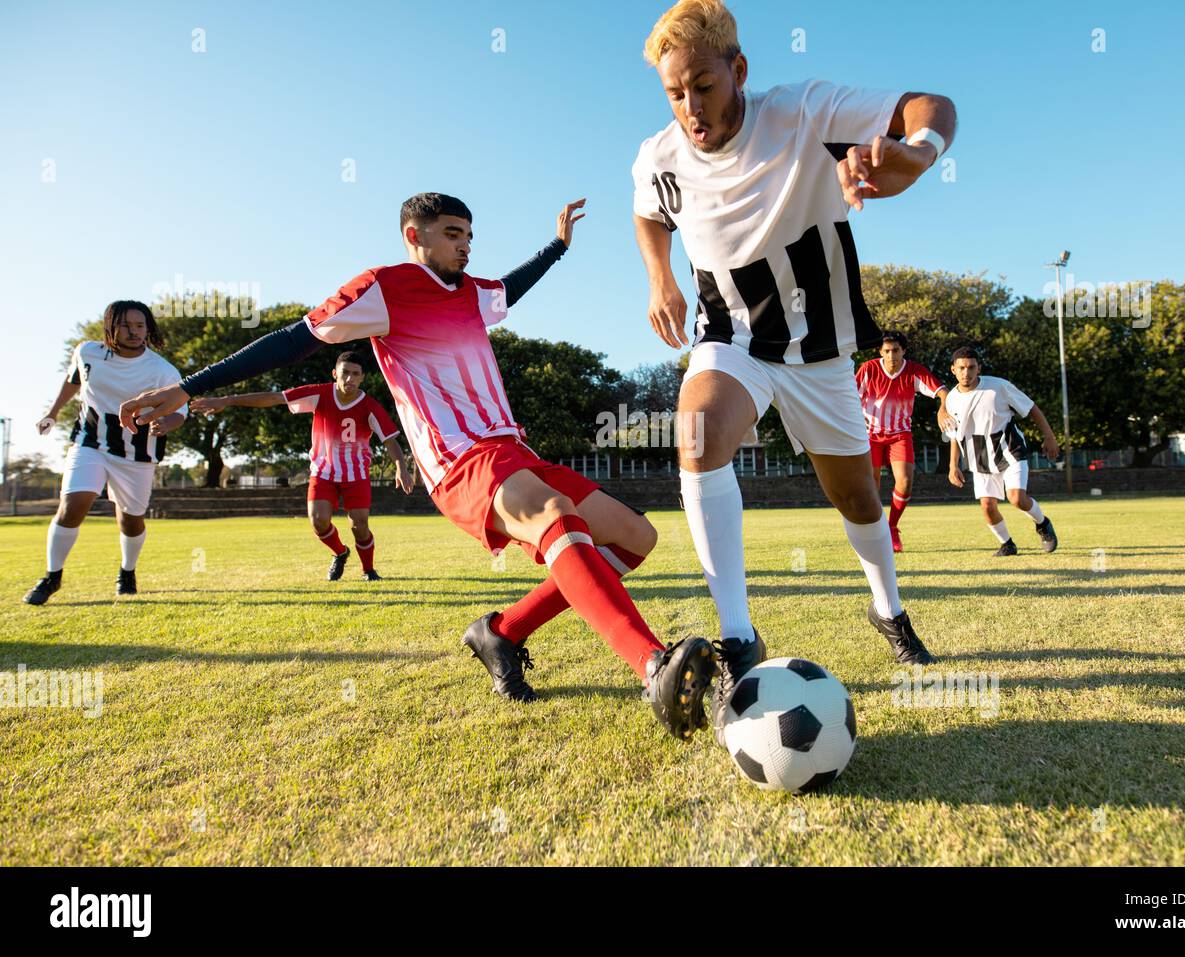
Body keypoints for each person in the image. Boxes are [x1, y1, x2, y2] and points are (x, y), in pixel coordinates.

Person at [118, 192, 719, 740]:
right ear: (415, 234)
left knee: (635, 537)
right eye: (453, 232)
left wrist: (556, 249)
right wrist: (190, 388)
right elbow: (293, 339)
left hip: (512, 447)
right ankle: (653, 666)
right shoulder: (385, 288)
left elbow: (509, 289)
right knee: (555, 516)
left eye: (469, 235)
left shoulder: (470, 293)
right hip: (458, 458)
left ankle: (502, 632)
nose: (465, 243)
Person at [632, 0, 954, 738]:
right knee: (697, 432)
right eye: (675, 93)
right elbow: (649, 211)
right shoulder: (659, 156)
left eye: (704, 86)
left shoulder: (807, 112)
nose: (691, 108)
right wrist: (660, 277)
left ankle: (888, 607)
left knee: (860, 501)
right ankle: (741, 640)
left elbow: (932, 106)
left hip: (819, 350)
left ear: (739, 70)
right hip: (731, 338)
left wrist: (916, 153)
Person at [191, 350, 415, 581]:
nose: (349, 379)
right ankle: (340, 552)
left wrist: (401, 466)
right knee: (318, 521)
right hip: (323, 471)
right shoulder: (319, 394)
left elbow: (390, 440)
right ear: (334, 374)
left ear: (362, 377)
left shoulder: (370, 406)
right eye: (344, 373)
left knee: (359, 524)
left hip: (355, 475)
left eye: (355, 374)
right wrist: (228, 400)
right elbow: (275, 397)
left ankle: (368, 570)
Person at [24, 301, 187, 605]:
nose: (134, 332)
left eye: (140, 326)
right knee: (74, 502)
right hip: (90, 442)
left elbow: (181, 411)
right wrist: (52, 413)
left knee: (131, 519)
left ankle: (127, 571)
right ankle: (51, 576)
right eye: (126, 325)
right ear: (110, 326)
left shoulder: (162, 370)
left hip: (136, 454)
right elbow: (75, 380)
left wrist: (166, 422)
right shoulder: (87, 352)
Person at [944, 347, 1060, 555]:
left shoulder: (998, 386)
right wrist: (953, 465)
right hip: (979, 457)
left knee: (1016, 498)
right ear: (953, 370)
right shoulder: (951, 399)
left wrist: (1049, 437)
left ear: (978, 368)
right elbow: (955, 435)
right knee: (987, 507)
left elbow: (1031, 407)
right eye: (961, 368)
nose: (966, 372)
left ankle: (1043, 524)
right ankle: (1007, 544)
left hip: (1010, 449)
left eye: (971, 367)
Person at [854, 331, 951, 552]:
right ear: (880, 352)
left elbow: (942, 391)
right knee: (872, 484)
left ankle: (892, 527)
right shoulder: (868, 369)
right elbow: (850, 397)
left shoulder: (914, 371)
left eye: (896, 350)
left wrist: (943, 409)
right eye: (886, 351)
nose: (891, 355)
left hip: (900, 434)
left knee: (905, 482)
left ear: (903, 351)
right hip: (870, 435)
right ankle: (876, 531)